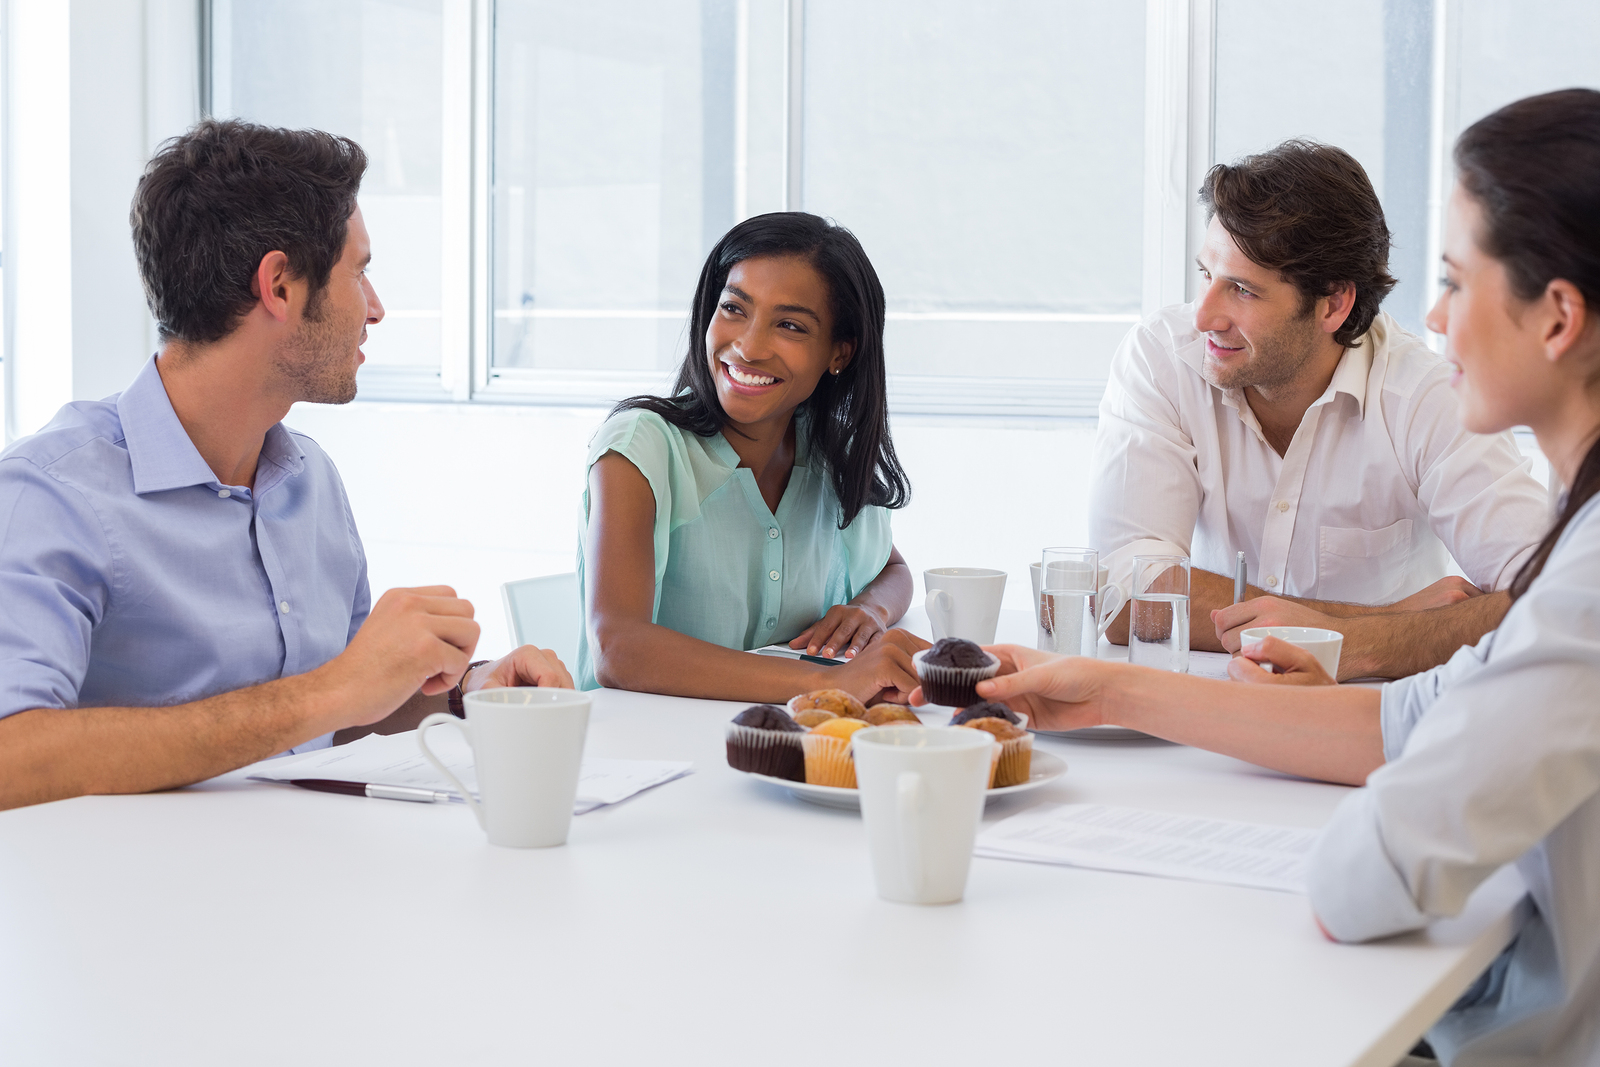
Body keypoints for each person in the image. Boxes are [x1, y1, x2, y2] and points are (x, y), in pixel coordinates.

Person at [961, 89, 1600, 1066]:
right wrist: (1107, 686)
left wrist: (1364, 645)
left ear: (1556, 317)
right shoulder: (1580, 552)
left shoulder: (1582, 582)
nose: (1435, 315)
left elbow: (1357, 877)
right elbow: (1407, 717)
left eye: (1454, 280)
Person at [0, 120, 571, 812]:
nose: (376, 308)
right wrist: (332, 690)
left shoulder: (310, 478)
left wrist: (465, 691)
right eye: (359, 272)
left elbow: (345, 707)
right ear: (278, 285)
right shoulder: (49, 493)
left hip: (312, 864)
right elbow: (12, 757)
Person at [1092, 140, 1549, 680]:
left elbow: (1551, 598)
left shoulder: (1428, 398)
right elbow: (1124, 595)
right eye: (1206, 275)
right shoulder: (1162, 358)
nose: (1204, 316)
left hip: (1375, 714)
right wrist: (1379, 625)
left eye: (1242, 290)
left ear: (1333, 304)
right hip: (1214, 703)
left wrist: (1345, 640)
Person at [579, 212, 927, 704]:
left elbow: (894, 570)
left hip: (785, 737)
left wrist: (870, 610)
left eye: (789, 325)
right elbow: (617, 648)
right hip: (640, 742)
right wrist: (828, 682)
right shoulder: (641, 448)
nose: (748, 347)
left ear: (840, 354)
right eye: (734, 308)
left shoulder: (831, 455)